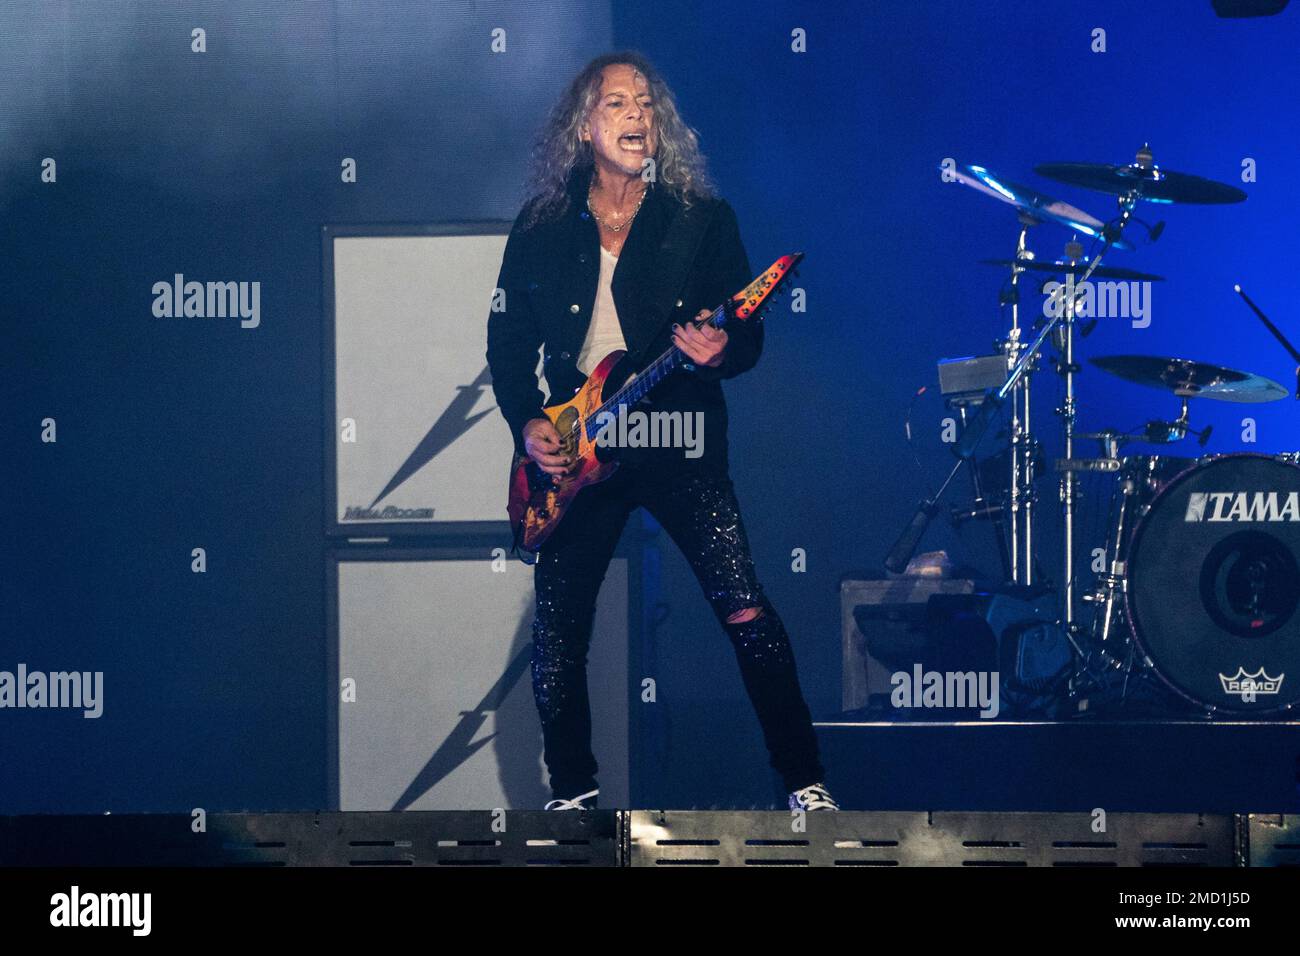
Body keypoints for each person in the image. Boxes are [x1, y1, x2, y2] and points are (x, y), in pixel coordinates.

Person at [486, 51, 836, 812]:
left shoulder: (702, 220)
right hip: (577, 450)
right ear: (585, 126)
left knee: (744, 606)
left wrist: (721, 349)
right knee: (558, 632)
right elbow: (506, 345)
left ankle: (806, 784)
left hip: (676, 437)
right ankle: (573, 795)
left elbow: (743, 342)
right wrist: (529, 424)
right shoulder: (543, 227)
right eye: (617, 103)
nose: (637, 115)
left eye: (645, 103)